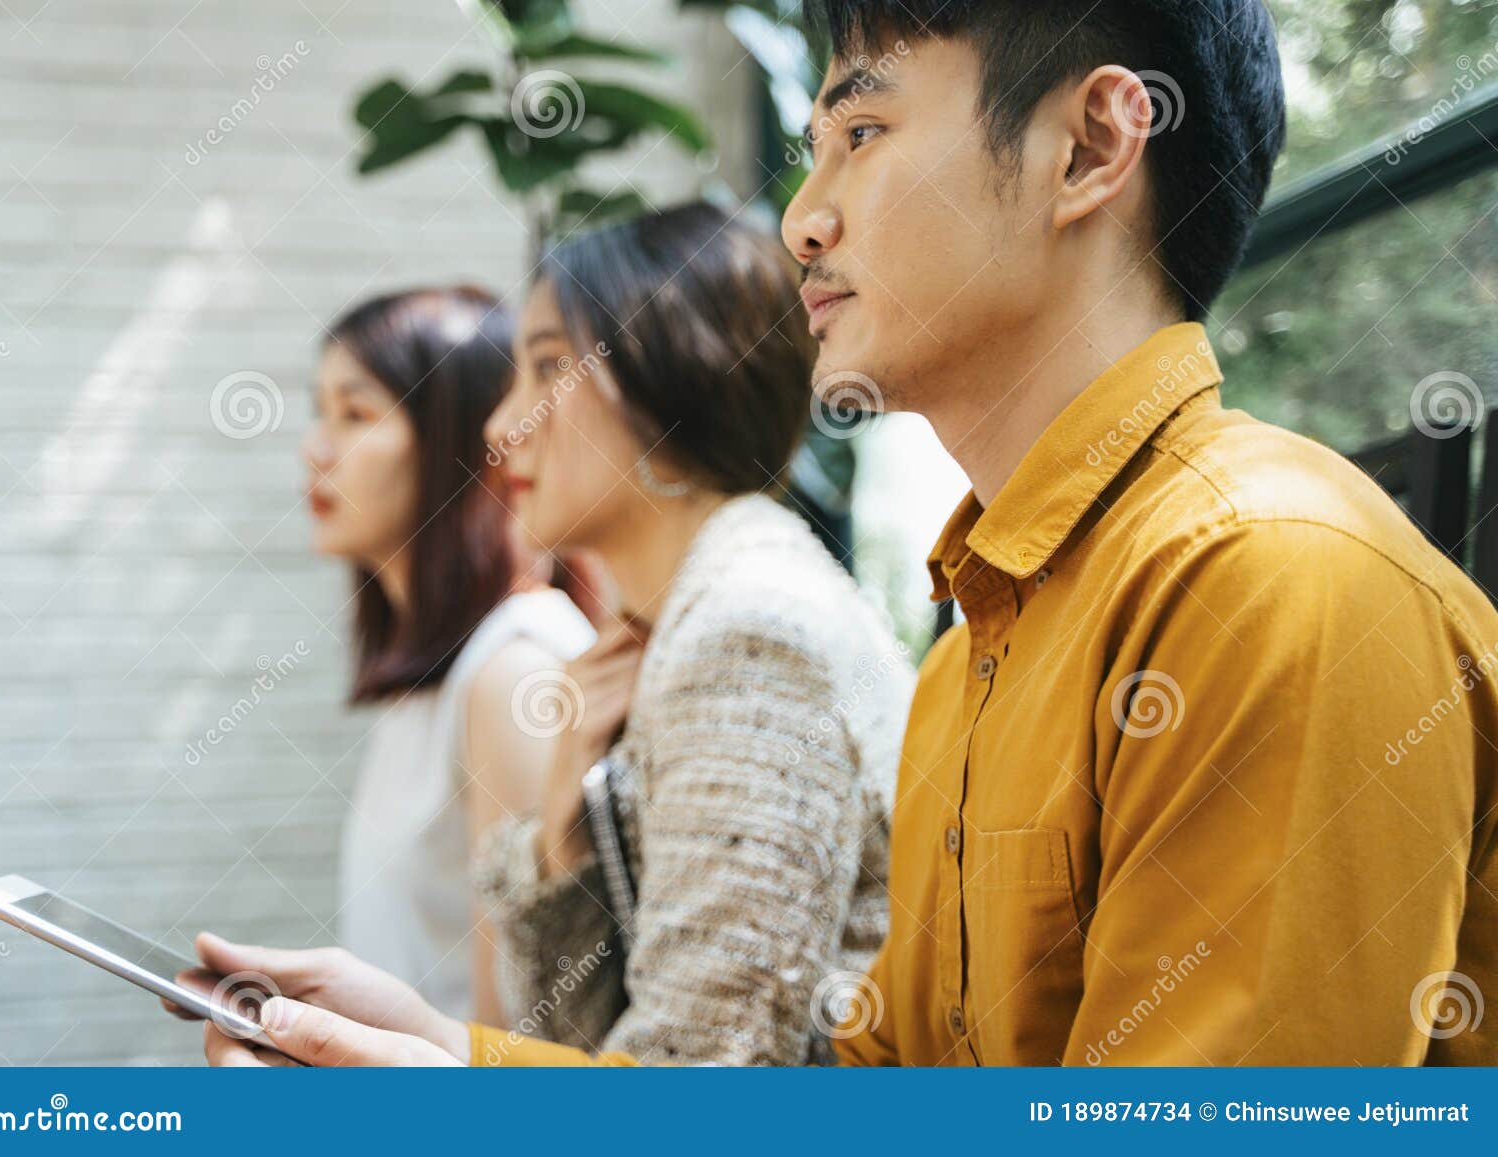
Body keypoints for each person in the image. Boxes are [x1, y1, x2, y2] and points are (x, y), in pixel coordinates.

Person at [199, 0, 1497, 1069]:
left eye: (864, 132)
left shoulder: (1269, 576)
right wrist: (445, 1061)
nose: (801, 220)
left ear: (1092, 147)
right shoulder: (971, 649)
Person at [193, 202, 914, 1068]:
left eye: (546, 369)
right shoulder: (677, 623)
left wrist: (422, 1067)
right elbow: (604, 1048)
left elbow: (700, 1074)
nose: (501, 429)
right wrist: (559, 847)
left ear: (663, 380)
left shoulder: (746, 631)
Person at [304, 288, 594, 1023]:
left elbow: (522, 1041)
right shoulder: (437, 674)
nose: (317, 448)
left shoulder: (514, 675)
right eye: (321, 410)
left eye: (356, 414)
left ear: (463, 442)